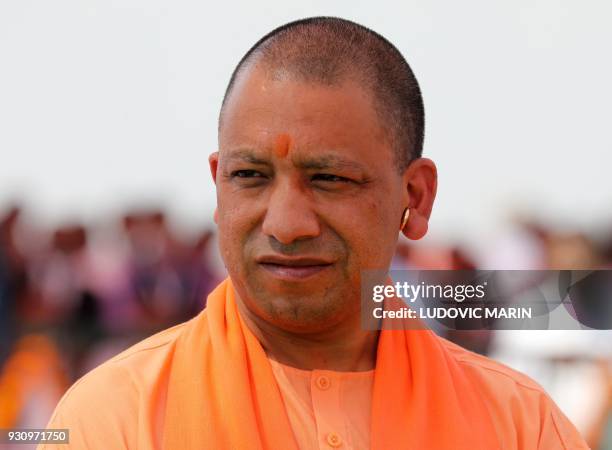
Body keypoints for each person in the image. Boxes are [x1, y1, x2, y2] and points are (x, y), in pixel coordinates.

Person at [40, 17, 589, 449]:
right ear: (217, 187)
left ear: (414, 198)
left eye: (328, 179)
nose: (285, 224)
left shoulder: (519, 424)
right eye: (249, 177)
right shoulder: (113, 418)